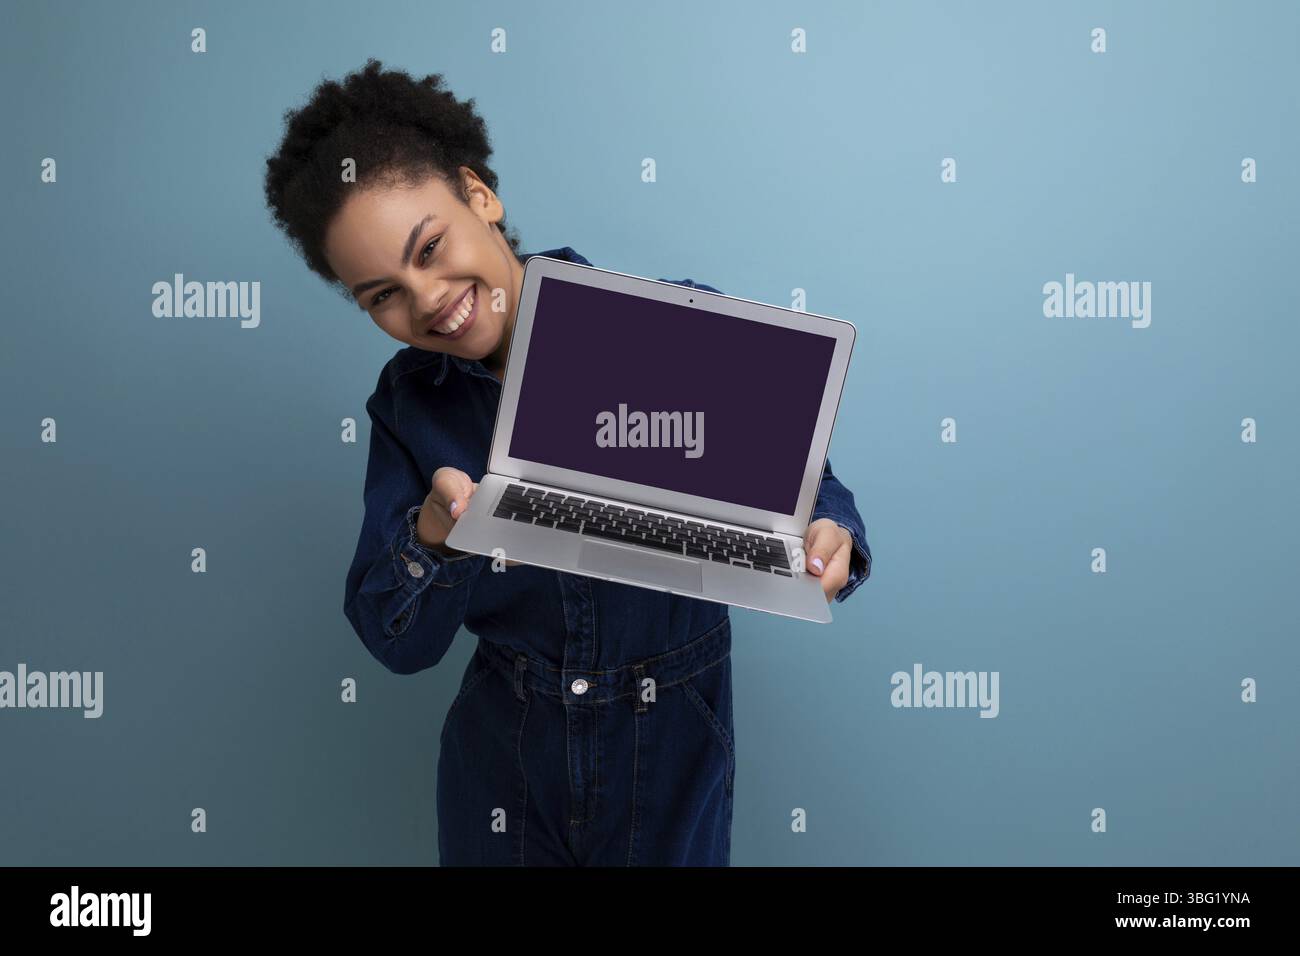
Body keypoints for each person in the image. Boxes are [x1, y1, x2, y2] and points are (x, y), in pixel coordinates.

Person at [263, 58, 873, 866]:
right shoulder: (410, 406)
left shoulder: (658, 326)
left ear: (480, 197)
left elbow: (802, 487)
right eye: (382, 294)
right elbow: (395, 645)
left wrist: (830, 535)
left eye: (431, 246)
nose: (428, 297)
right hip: (505, 765)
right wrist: (436, 539)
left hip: (671, 750)